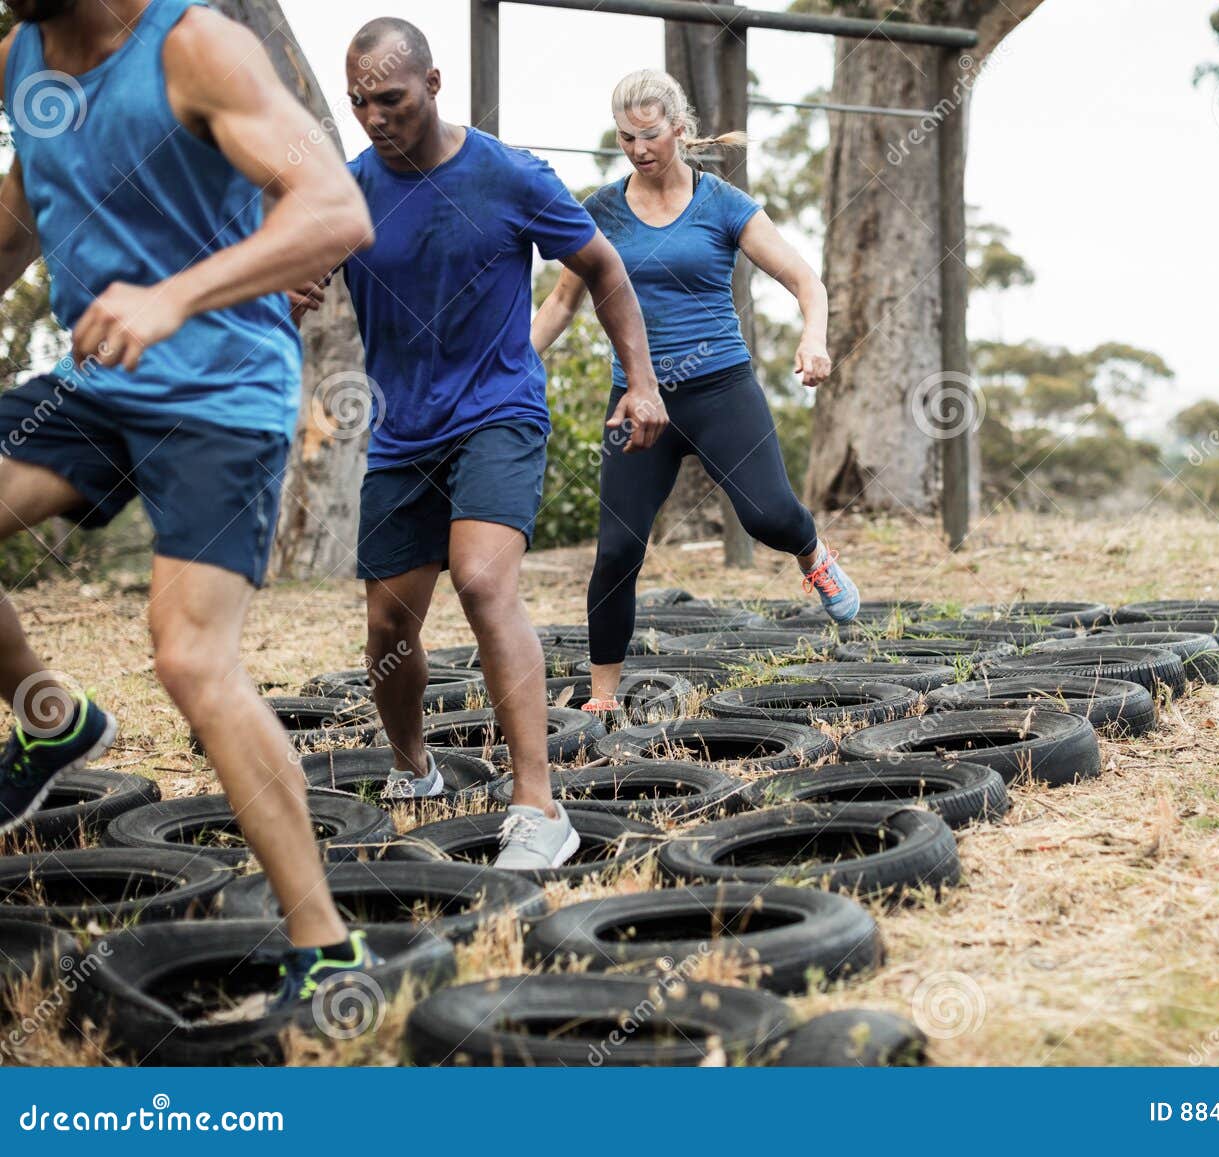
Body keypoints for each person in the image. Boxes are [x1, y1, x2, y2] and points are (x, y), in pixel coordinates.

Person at [0, 0, 377, 1009]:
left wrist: (173, 294)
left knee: (189, 656)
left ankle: (327, 946)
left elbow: (334, 208)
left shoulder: (197, 46)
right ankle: (51, 719)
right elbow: (23, 210)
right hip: (96, 383)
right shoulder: (22, 58)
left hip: (221, 393)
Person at [318, 20, 665, 869]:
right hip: (402, 435)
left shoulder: (509, 174)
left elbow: (604, 268)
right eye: (359, 102)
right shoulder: (345, 194)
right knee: (387, 625)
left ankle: (539, 807)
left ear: (434, 84)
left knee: (480, 579)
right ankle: (415, 769)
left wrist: (642, 381)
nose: (374, 117)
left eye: (391, 99)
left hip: (498, 412)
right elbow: (285, 277)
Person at [531, 69, 860, 715]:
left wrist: (813, 339)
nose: (638, 149)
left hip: (719, 390)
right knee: (617, 550)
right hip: (638, 400)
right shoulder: (600, 211)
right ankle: (602, 695)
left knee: (768, 516)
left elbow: (806, 281)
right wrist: (511, 363)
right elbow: (561, 303)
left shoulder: (723, 203)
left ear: (679, 130)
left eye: (650, 135)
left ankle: (813, 554)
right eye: (626, 137)